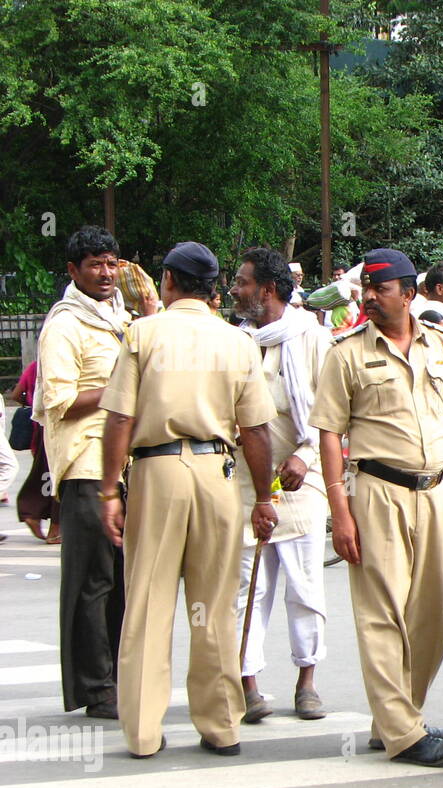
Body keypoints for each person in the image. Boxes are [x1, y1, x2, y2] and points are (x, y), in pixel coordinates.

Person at [99, 241, 278, 759]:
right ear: (214, 288)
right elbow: (257, 431)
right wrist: (263, 497)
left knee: (148, 605)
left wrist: (110, 489)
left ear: (169, 281)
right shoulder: (237, 342)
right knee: (214, 606)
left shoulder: (142, 333)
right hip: (217, 472)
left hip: (156, 472)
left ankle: (143, 733)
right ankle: (222, 725)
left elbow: (118, 419)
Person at [311, 248, 443, 768]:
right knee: (381, 612)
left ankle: (398, 715)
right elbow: (328, 435)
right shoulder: (345, 353)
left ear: (409, 294)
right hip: (376, 492)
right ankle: (404, 733)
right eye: (366, 288)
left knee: (434, 614)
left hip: (434, 491)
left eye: (379, 289)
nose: (368, 297)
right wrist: (340, 512)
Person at [228, 247, 334, 723]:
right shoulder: (235, 342)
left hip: (301, 481)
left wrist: (304, 454)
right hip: (246, 484)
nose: (234, 289)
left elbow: (331, 415)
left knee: (304, 585)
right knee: (246, 589)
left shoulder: (313, 338)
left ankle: (307, 680)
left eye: (242, 282)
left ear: (266, 291)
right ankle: (247, 683)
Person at [36, 225, 129, 719]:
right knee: (94, 580)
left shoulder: (122, 319)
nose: (106, 273)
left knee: (124, 577)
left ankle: (119, 674)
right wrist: (122, 385)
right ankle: (96, 688)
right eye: (95, 264)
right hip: (87, 464)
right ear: (74, 271)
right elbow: (61, 402)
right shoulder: (65, 324)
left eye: (112, 263)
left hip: (128, 462)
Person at [13, 358, 59, 543]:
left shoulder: (36, 365)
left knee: (45, 474)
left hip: (40, 426)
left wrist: (32, 401)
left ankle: (33, 512)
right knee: (59, 477)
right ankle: (55, 528)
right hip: (58, 426)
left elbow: (17, 394)